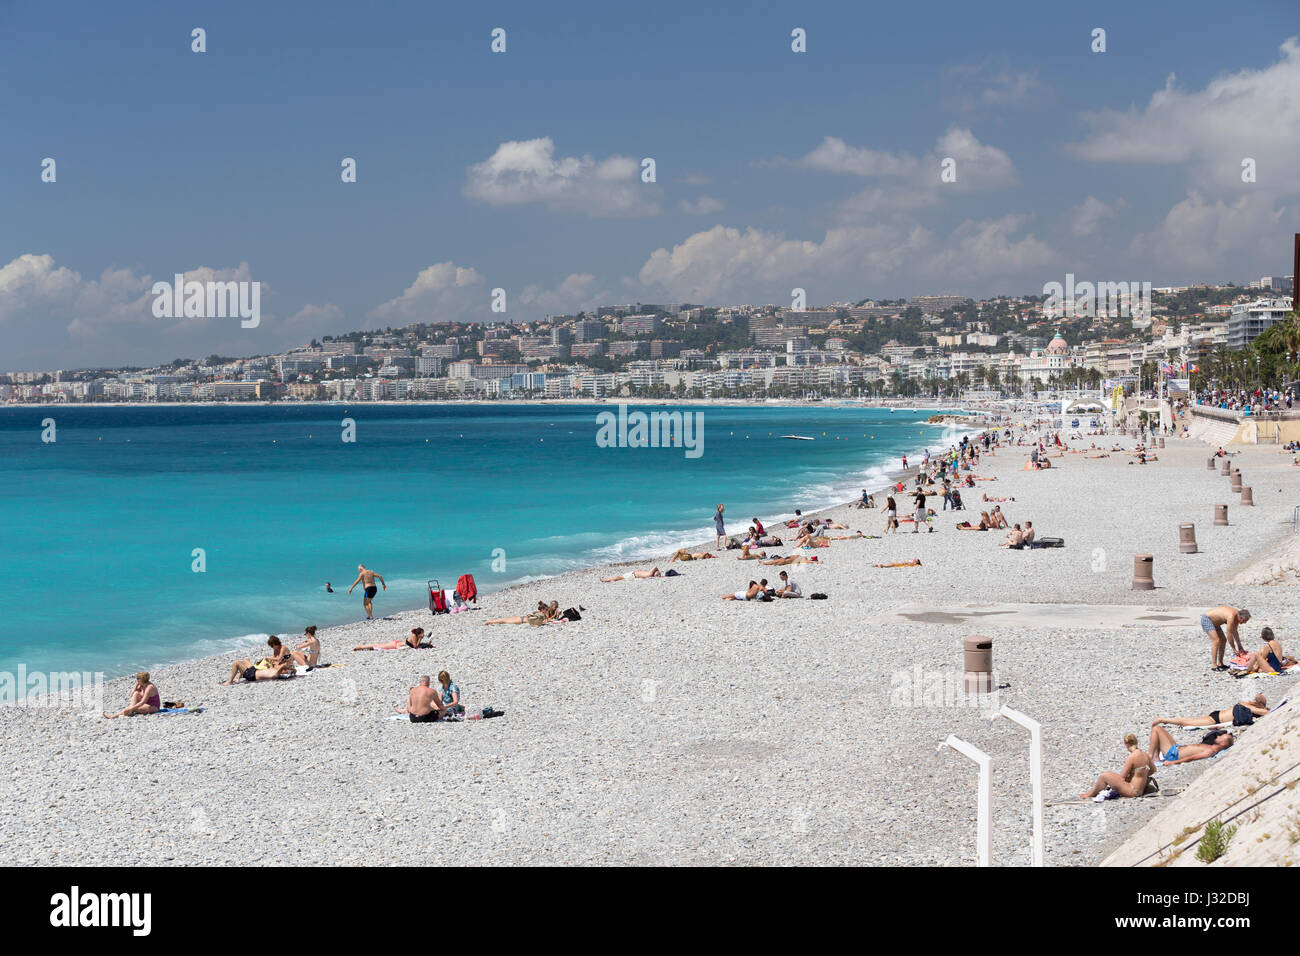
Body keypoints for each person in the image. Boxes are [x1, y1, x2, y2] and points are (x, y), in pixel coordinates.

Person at [1080, 734, 1156, 799]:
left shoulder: (1132, 757)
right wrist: (1141, 775)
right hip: (1140, 790)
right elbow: (1153, 770)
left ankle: (1089, 794)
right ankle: (1090, 793)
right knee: (1108, 776)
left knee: (1104, 776)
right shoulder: (1145, 754)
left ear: (1126, 744)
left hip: (1132, 790)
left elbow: (1122, 777)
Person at [1151, 695, 1269, 729]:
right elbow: (1264, 713)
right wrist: (1265, 710)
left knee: (1190, 721)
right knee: (1187, 722)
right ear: (1259, 704)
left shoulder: (1246, 703)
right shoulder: (1249, 707)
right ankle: (1163, 720)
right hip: (1215, 719)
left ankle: (1164, 720)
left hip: (1217, 715)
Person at [1200, 606, 1251, 671]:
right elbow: (1229, 634)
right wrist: (1234, 649)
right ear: (1240, 617)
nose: (1244, 623)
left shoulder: (1236, 617)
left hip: (1216, 623)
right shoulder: (1231, 617)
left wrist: (1239, 646)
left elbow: (1235, 632)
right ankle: (1214, 665)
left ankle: (1220, 663)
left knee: (1223, 640)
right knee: (1216, 641)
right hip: (1207, 619)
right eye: (1244, 621)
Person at [1149, 727, 1234, 764]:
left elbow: (1192, 758)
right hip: (1176, 748)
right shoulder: (1211, 747)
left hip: (1173, 754)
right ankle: (1156, 757)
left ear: (1223, 743)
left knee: (1156, 729)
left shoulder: (1210, 751)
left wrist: (1172, 762)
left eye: (1220, 737)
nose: (1218, 736)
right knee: (1159, 729)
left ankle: (1151, 757)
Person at [222, 658, 296, 684]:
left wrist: (293, 670)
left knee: (236, 663)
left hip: (252, 675)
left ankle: (230, 681)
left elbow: (283, 667)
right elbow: (283, 667)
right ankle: (238, 677)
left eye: (284, 671)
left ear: (283, 672)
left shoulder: (276, 674)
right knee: (246, 660)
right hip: (255, 670)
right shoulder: (274, 670)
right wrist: (267, 666)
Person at [355, 627, 426, 651]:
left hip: (397, 643)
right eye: (422, 633)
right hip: (395, 645)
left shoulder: (416, 636)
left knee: (378, 645)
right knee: (377, 645)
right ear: (418, 634)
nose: (423, 635)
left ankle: (361, 647)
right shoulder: (414, 636)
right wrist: (420, 639)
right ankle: (360, 647)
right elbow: (415, 647)